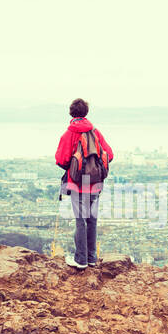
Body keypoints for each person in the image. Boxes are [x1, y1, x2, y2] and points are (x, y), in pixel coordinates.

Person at [54, 98, 113, 269]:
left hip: (77, 182)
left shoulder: (69, 134)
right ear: (86, 112)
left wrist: (72, 167)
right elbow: (109, 154)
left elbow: (61, 159)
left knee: (80, 220)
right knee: (92, 219)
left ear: (71, 113)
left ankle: (80, 260)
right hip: (95, 183)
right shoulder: (95, 132)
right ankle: (92, 258)